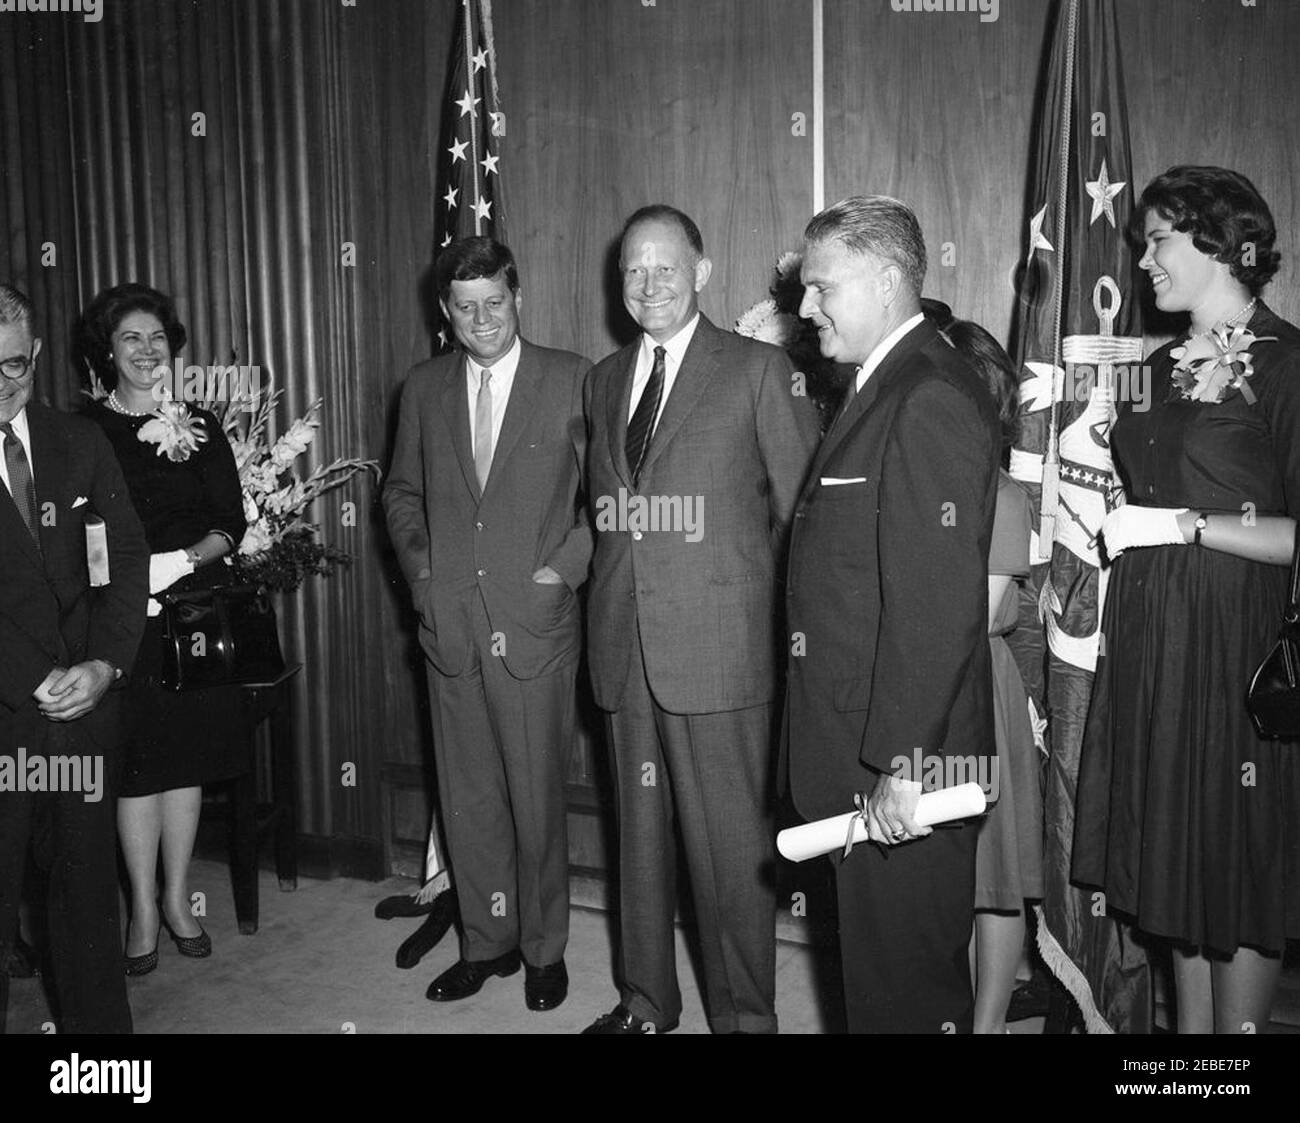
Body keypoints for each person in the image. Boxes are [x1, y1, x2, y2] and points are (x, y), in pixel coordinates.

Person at [582, 205, 820, 1035]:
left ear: (703, 272)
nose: (647, 285)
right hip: (623, 650)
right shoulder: (604, 379)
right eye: (632, 271)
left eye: (665, 268)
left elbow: (803, 523)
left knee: (726, 859)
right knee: (638, 848)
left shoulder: (759, 370)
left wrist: (798, 652)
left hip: (722, 659)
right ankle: (647, 1001)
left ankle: (746, 1020)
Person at [1073, 165, 1300, 1034]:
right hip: (1156, 643)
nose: (1142, 261)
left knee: (1233, 867)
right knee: (1178, 859)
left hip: (1233, 650)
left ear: (1218, 239)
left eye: (1158, 238)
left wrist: (1185, 526)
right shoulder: (1165, 367)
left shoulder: (1285, 365)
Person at [783, 196, 1001, 1033]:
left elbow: (936, 606)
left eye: (820, 288)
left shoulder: (927, 396)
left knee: (904, 994)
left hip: (906, 767)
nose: (806, 309)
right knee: (876, 986)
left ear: (884, 283)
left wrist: (903, 765)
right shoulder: (886, 384)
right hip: (870, 748)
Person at [384, 236, 591, 1013]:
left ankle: (543, 950)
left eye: (494, 304)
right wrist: (424, 577)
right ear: (446, 310)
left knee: (535, 796)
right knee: (468, 795)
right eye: (464, 308)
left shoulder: (572, 378)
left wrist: (557, 576)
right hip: (449, 625)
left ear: (517, 297)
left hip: (533, 625)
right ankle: (487, 941)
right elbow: (400, 494)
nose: (482, 321)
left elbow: (603, 501)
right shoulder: (425, 387)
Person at [78, 283, 247, 975]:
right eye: (130, 339)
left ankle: (179, 899)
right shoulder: (86, 430)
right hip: (125, 618)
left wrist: (179, 562)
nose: (146, 351)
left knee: (186, 759)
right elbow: (80, 525)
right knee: (139, 766)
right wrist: (126, 578)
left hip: (193, 614)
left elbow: (229, 522)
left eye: (156, 338)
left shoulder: (200, 423)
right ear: (107, 352)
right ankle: (142, 907)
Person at [0, 282, 149, 1032]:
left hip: (83, 715)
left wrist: (106, 667)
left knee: (88, 909)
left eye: (14, 367)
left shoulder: (79, 442)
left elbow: (126, 559)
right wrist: (31, 679)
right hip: (5, 720)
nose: (1, 386)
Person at [923, 301, 1044, 1034]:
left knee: (993, 880)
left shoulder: (1002, 495)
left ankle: (990, 1020)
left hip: (980, 690)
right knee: (944, 874)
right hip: (924, 688)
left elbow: (984, 609)